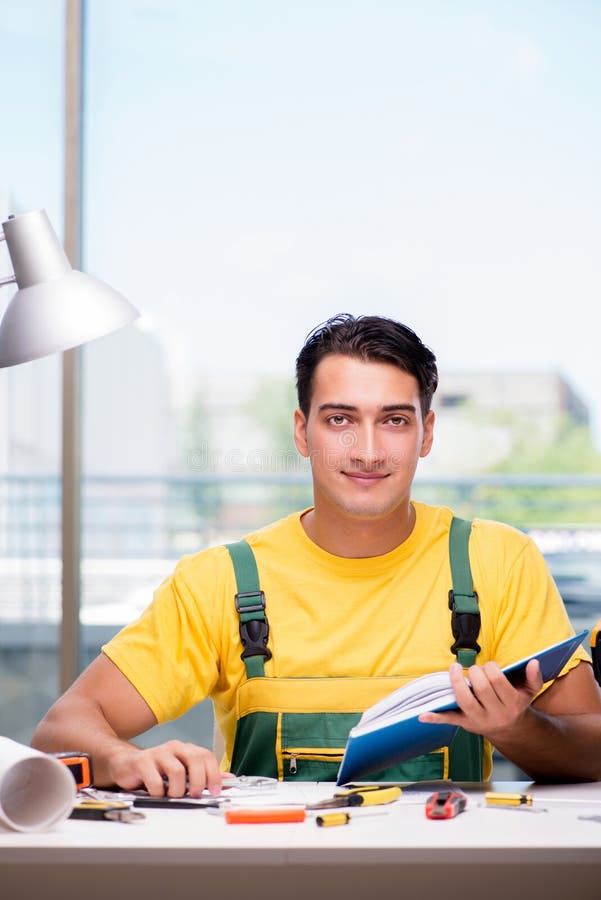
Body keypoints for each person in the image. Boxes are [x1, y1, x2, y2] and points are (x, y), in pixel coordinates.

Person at [32, 314, 601, 796]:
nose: (369, 451)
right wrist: (124, 761)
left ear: (427, 433)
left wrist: (516, 727)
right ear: (303, 433)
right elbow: (61, 731)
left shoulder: (497, 562)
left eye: (395, 420)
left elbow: (592, 747)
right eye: (340, 420)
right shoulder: (221, 580)